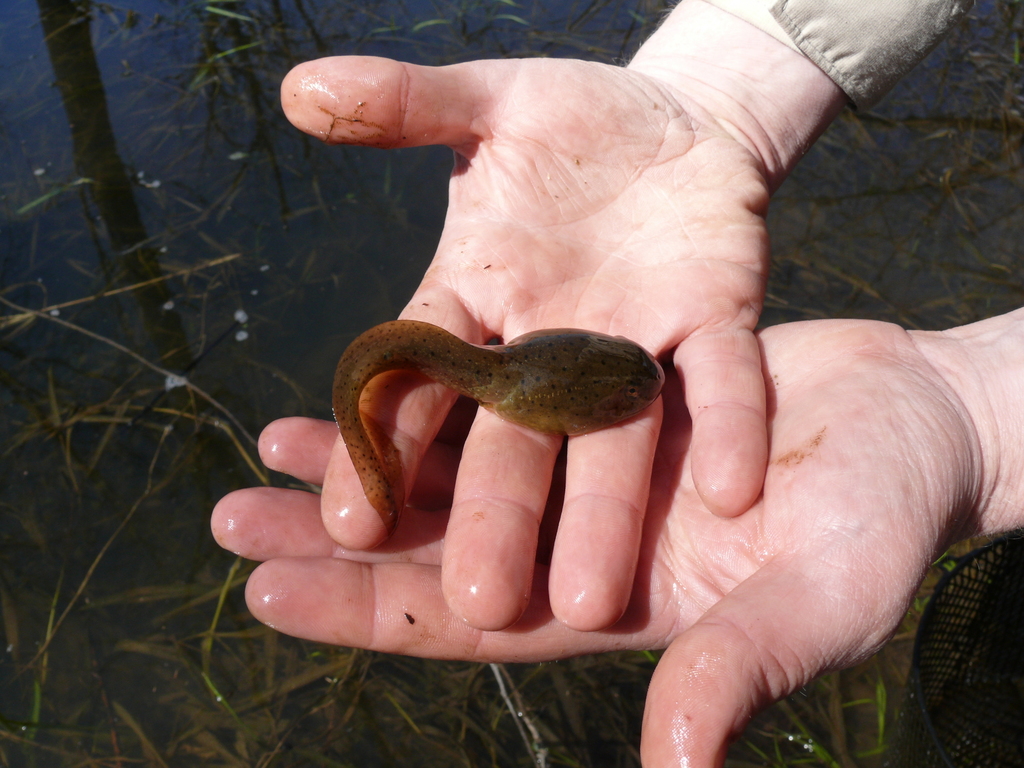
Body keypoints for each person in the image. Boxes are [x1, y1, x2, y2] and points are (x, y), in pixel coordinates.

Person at [212, 1, 1010, 764]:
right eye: (623, 396)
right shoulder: (506, 379)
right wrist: (720, 92)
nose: (644, 388)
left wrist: (980, 420)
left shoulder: (521, 368)